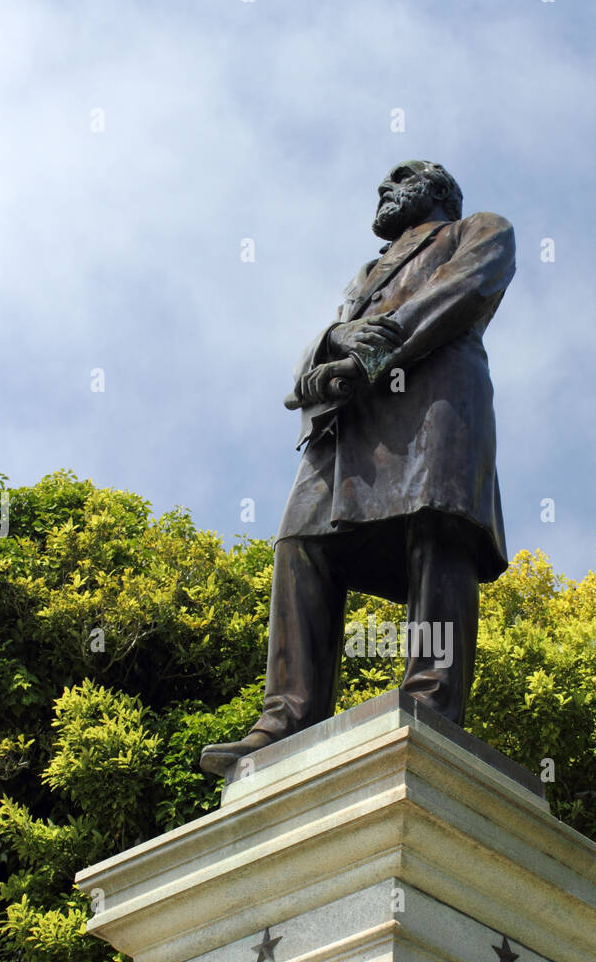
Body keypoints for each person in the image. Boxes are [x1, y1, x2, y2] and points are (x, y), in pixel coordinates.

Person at [200, 160, 515, 776]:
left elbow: (463, 291)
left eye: (400, 179)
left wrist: (376, 346)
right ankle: (286, 717)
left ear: (439, 192)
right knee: (301, 541)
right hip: (346, 425)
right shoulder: (365, 275)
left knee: (436, 526)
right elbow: (321, 352)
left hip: (435, 400)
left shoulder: (479, 228)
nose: (383, 190)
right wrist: (331, 349)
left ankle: (430, 698)